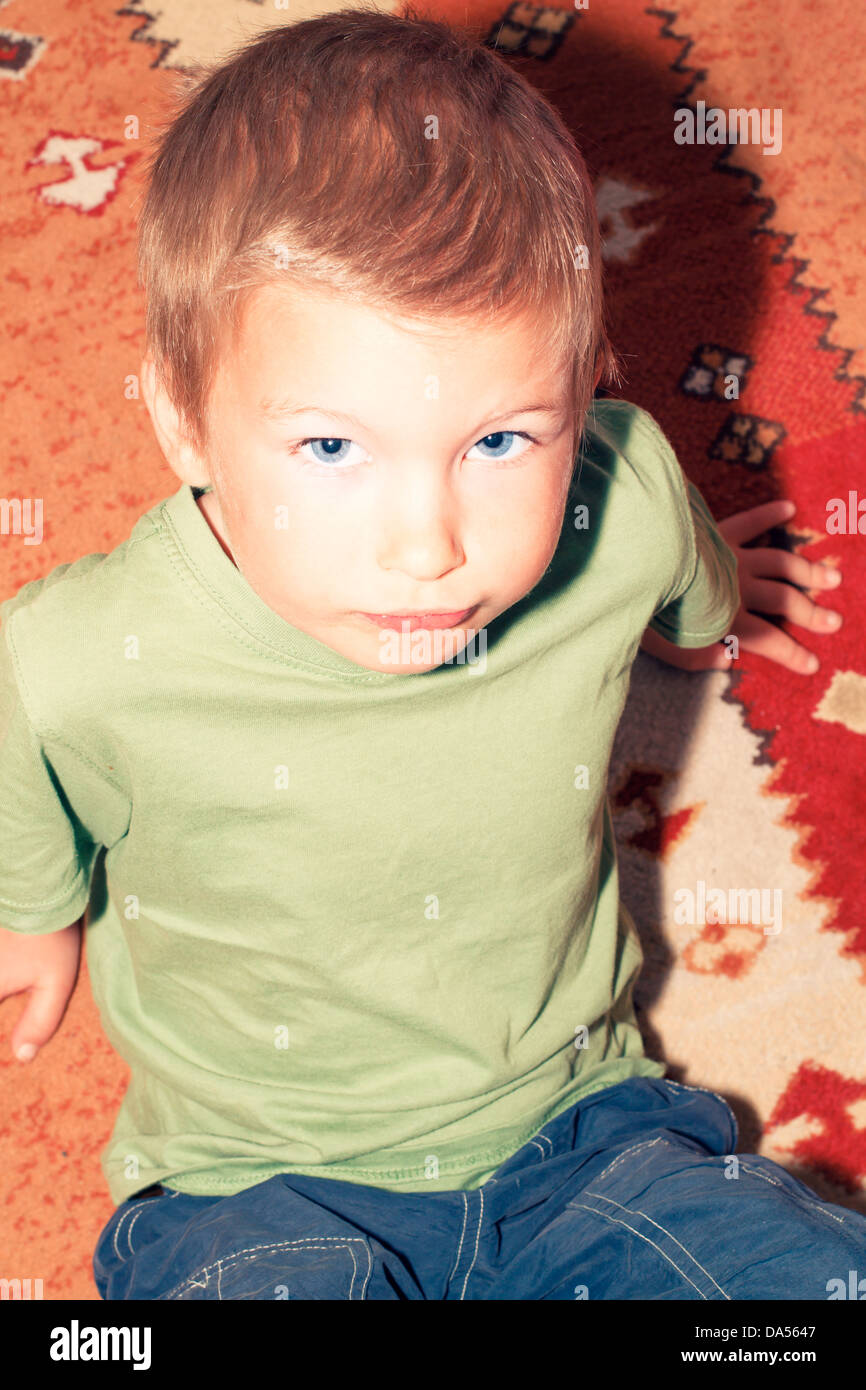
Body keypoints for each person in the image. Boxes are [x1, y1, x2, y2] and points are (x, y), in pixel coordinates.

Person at [0, 8, 858, 1300]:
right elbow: (19, 697)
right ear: (184, 424)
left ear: (584, 396)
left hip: (588, 1136)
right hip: (255, 1180)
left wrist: (712, 607)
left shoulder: (617, 505)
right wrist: (35, 902)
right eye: (333, 449)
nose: (428, 544)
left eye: (501, 441)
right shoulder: (100, 649)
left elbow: (673, 558)